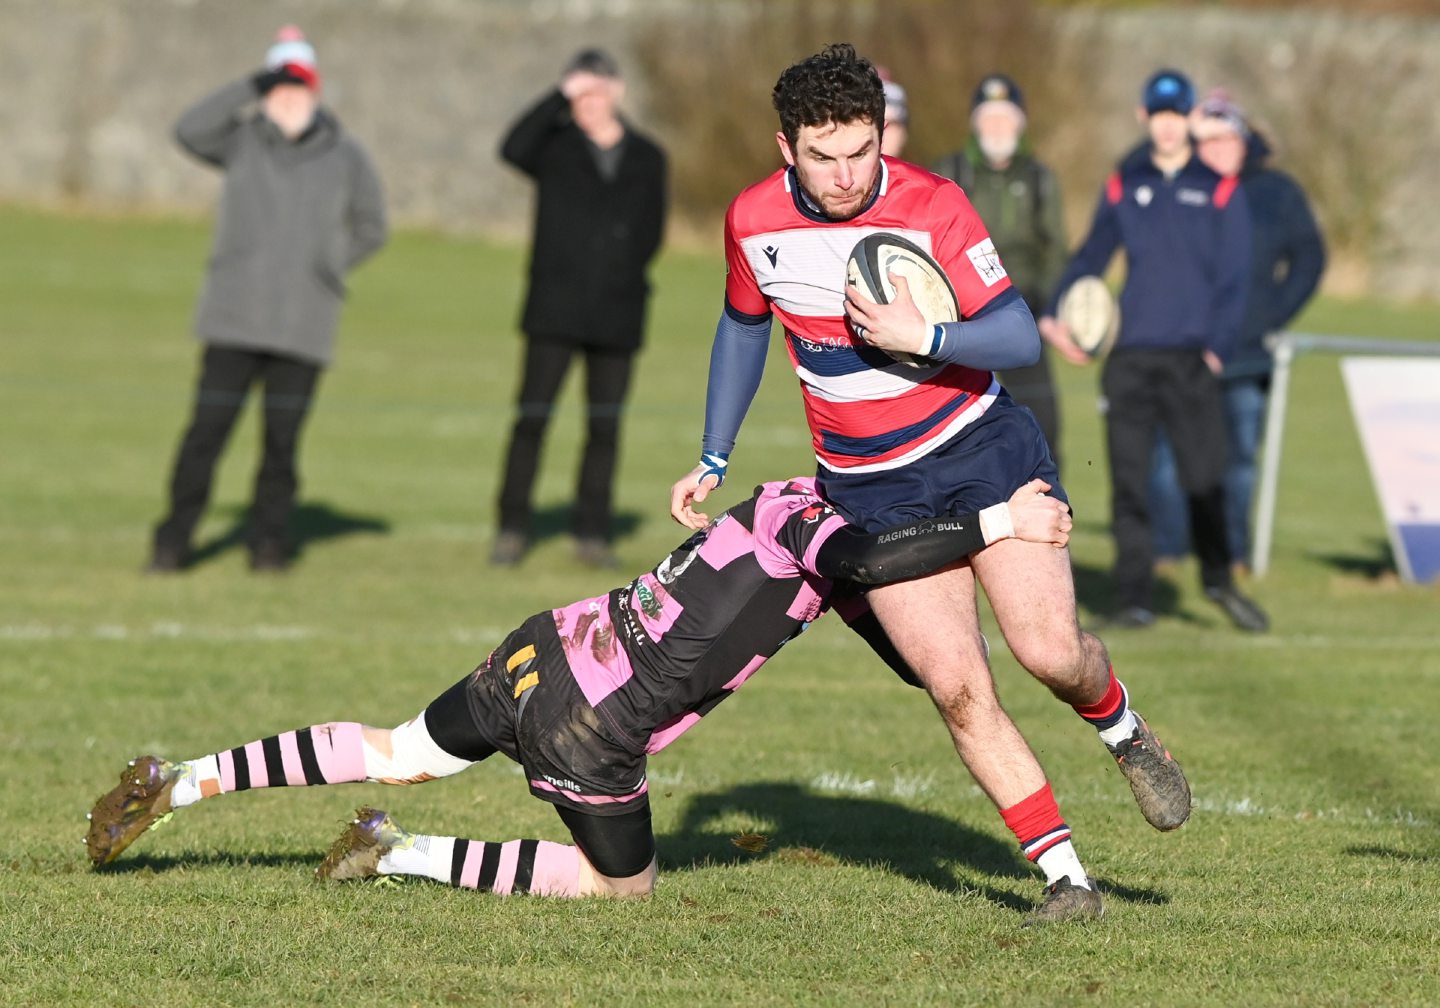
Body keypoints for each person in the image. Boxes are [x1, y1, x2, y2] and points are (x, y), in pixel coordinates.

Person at [669, 44, 1195, 923]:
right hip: (871, 491)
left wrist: (928, 337)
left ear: (883, 135)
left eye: (861, 151)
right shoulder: (752, 220)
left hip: (980, 450)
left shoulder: (935, 204)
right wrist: (714, 454)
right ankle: (1067, 880)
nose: (845, 176)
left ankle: (1122, 726)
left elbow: (1017, 333)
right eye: (823, 157)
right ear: (785, 147)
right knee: (956, 686)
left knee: (1049, 653)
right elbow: (744, 325)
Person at [88, 479, 1077, 919]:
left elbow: (905, 647)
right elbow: (862, 558)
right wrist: (996, 524)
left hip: (549, 643)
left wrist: (943, 618)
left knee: (398, 749)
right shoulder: (828, 532)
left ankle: (184, 778)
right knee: (621, 890)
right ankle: (399, 852)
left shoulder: (782, 499)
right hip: (592, 721)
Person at [147, 27, 387, 574]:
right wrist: (251, 84)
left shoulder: (346, 153)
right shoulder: (240, 140)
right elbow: (188, 130)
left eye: (299, 83)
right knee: (205, 436)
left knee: (281, 445)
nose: (289, 94)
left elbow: (372, 226)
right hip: (233, 318)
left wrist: (328, 265)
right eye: (279, 83)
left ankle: (269, 545)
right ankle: (173, 542)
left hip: (304, 325)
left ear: (315, 89)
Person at [1042, 69, 1269, 631]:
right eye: (1159, 115)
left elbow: (1235, 280)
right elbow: (1092, 254)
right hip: (1131, 360)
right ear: (1144, 117)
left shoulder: (1219, 188)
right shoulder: (1126, 182)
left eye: (1177, 115)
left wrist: (1216, 350)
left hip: (1192, 360)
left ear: (1190, 118)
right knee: (1130, 484)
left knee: (1204, 480)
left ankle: (1218, 580)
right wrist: (1057, 311)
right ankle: (1134, 598)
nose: (1167, 126)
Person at [492, 49, 668, 570]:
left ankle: (592, 532)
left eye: (595, 92)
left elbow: (652, 231)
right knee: (532, 419)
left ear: (616, 92)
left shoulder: (648, 156)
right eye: (578, 95)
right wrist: (558, 94)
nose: (586, 104)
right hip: (553, 309)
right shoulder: (554, 146)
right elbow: (511, 147)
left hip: (618, 313)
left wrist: (619, 272)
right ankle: (511, 528)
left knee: (604, 428)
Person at [1148, 89, 1326, 569]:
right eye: (1207, 140)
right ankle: (1168, 551)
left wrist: (1272, 314)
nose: (1218, 149)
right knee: (1167, 457)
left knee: (1239, 460)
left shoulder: (1277, 192)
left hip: (1247, 352)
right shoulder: (1171, 185)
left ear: (1245, 140)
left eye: (1227, 138)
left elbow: (1310, 257)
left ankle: (1233, 554)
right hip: (1179, 349)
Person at [933, 74, 1073, 469]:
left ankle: (1048, 497)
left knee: (1042, 424)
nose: (997, 128)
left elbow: (1055, 249)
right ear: (975, 125)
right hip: (962, 316)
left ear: (1020, 125)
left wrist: (1047, 308)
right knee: (955, 426)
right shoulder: (950, 172)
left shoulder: (1039, 178)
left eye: (1006, 119)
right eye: (989, 118)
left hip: (1023, 314)